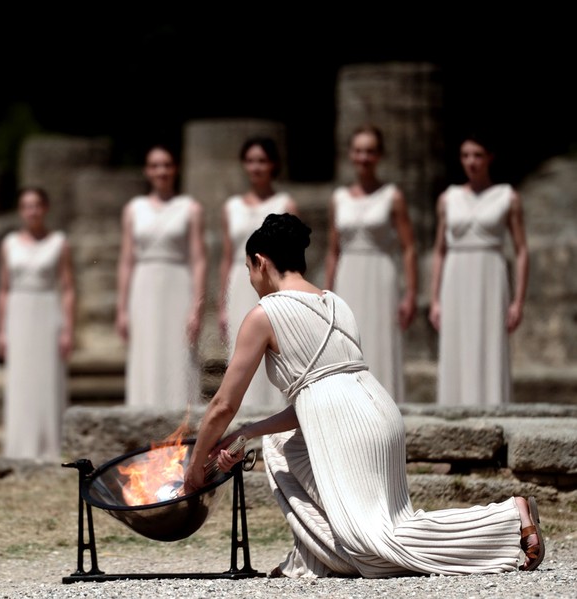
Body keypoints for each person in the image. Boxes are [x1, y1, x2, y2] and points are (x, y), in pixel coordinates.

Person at [185, 213, 543, 577]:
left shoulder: (264, 315)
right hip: (378, 412)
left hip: (346, 426)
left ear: (260, 262)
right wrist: (247, 432)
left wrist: (194, 469)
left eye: (248, 269)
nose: (250, 280)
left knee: (377, 547)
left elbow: (223, 405)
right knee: (281, 445)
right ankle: (310, 559)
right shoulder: (337, 303)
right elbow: (311, 402)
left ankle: (507, 517)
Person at [429, 135, 528, 406]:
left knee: (490, 343)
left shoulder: (507, 196)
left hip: (491, 276)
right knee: (456, 345)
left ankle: (494, 408)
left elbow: (521, 250)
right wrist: (435, 299)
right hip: (455, 277)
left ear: (489, 158)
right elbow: (440, 250)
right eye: (466, 155)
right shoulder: (448, 198)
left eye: (477, 155)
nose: (471, 162)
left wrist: (518, 301)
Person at [324, 125, 417, 402]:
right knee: (347, 343)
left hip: (380, 274)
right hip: (348, 274)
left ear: (379, 155)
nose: (364, 157)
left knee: (380, 342)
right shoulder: (338, 199)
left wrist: (410, 293)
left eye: (370, 151)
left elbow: (409, 247)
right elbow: (333, 251)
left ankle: (384, 408)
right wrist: (325, 294)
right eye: (359, 151)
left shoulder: (392, 196)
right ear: (351, 155)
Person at [116, 145, 206, 409]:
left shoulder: (190, 208)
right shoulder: (134, 209)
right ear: (146, 171)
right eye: (155, 166)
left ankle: (182, 429)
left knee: (178, 354)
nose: (161, 171)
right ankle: (143, 430)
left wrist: (197, 307)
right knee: (145, 354)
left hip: (178, 284)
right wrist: (121, 308)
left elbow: (199, 259)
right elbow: (126, 260)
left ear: (175, 169)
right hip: (143, 286)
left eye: (166, 165)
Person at [0, 187, 75, 461]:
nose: (32, 211)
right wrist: (1, 330)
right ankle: (20, 446)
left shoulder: (58, 242)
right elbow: (3, 289)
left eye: (37, 205)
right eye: (27, 206)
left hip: (47, 311)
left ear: (46, 208)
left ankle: (49, 445)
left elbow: (68, 289)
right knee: (21, 379)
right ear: (20, 211)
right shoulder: (8, 244)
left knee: (48, 377)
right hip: (18, 313)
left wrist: (68, 329)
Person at [219, 136, 298, 409]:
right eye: (251, 161)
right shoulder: (231, 207)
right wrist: (222, 304)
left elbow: (294, 255)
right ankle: (242, 413)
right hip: (240, 284)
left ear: (273, 164)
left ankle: (276, 412)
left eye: (262, 161)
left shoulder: (286, 202)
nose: (256, 167)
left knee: (276, 346)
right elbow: (228, 257)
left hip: (273, 285)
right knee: (242, 349)